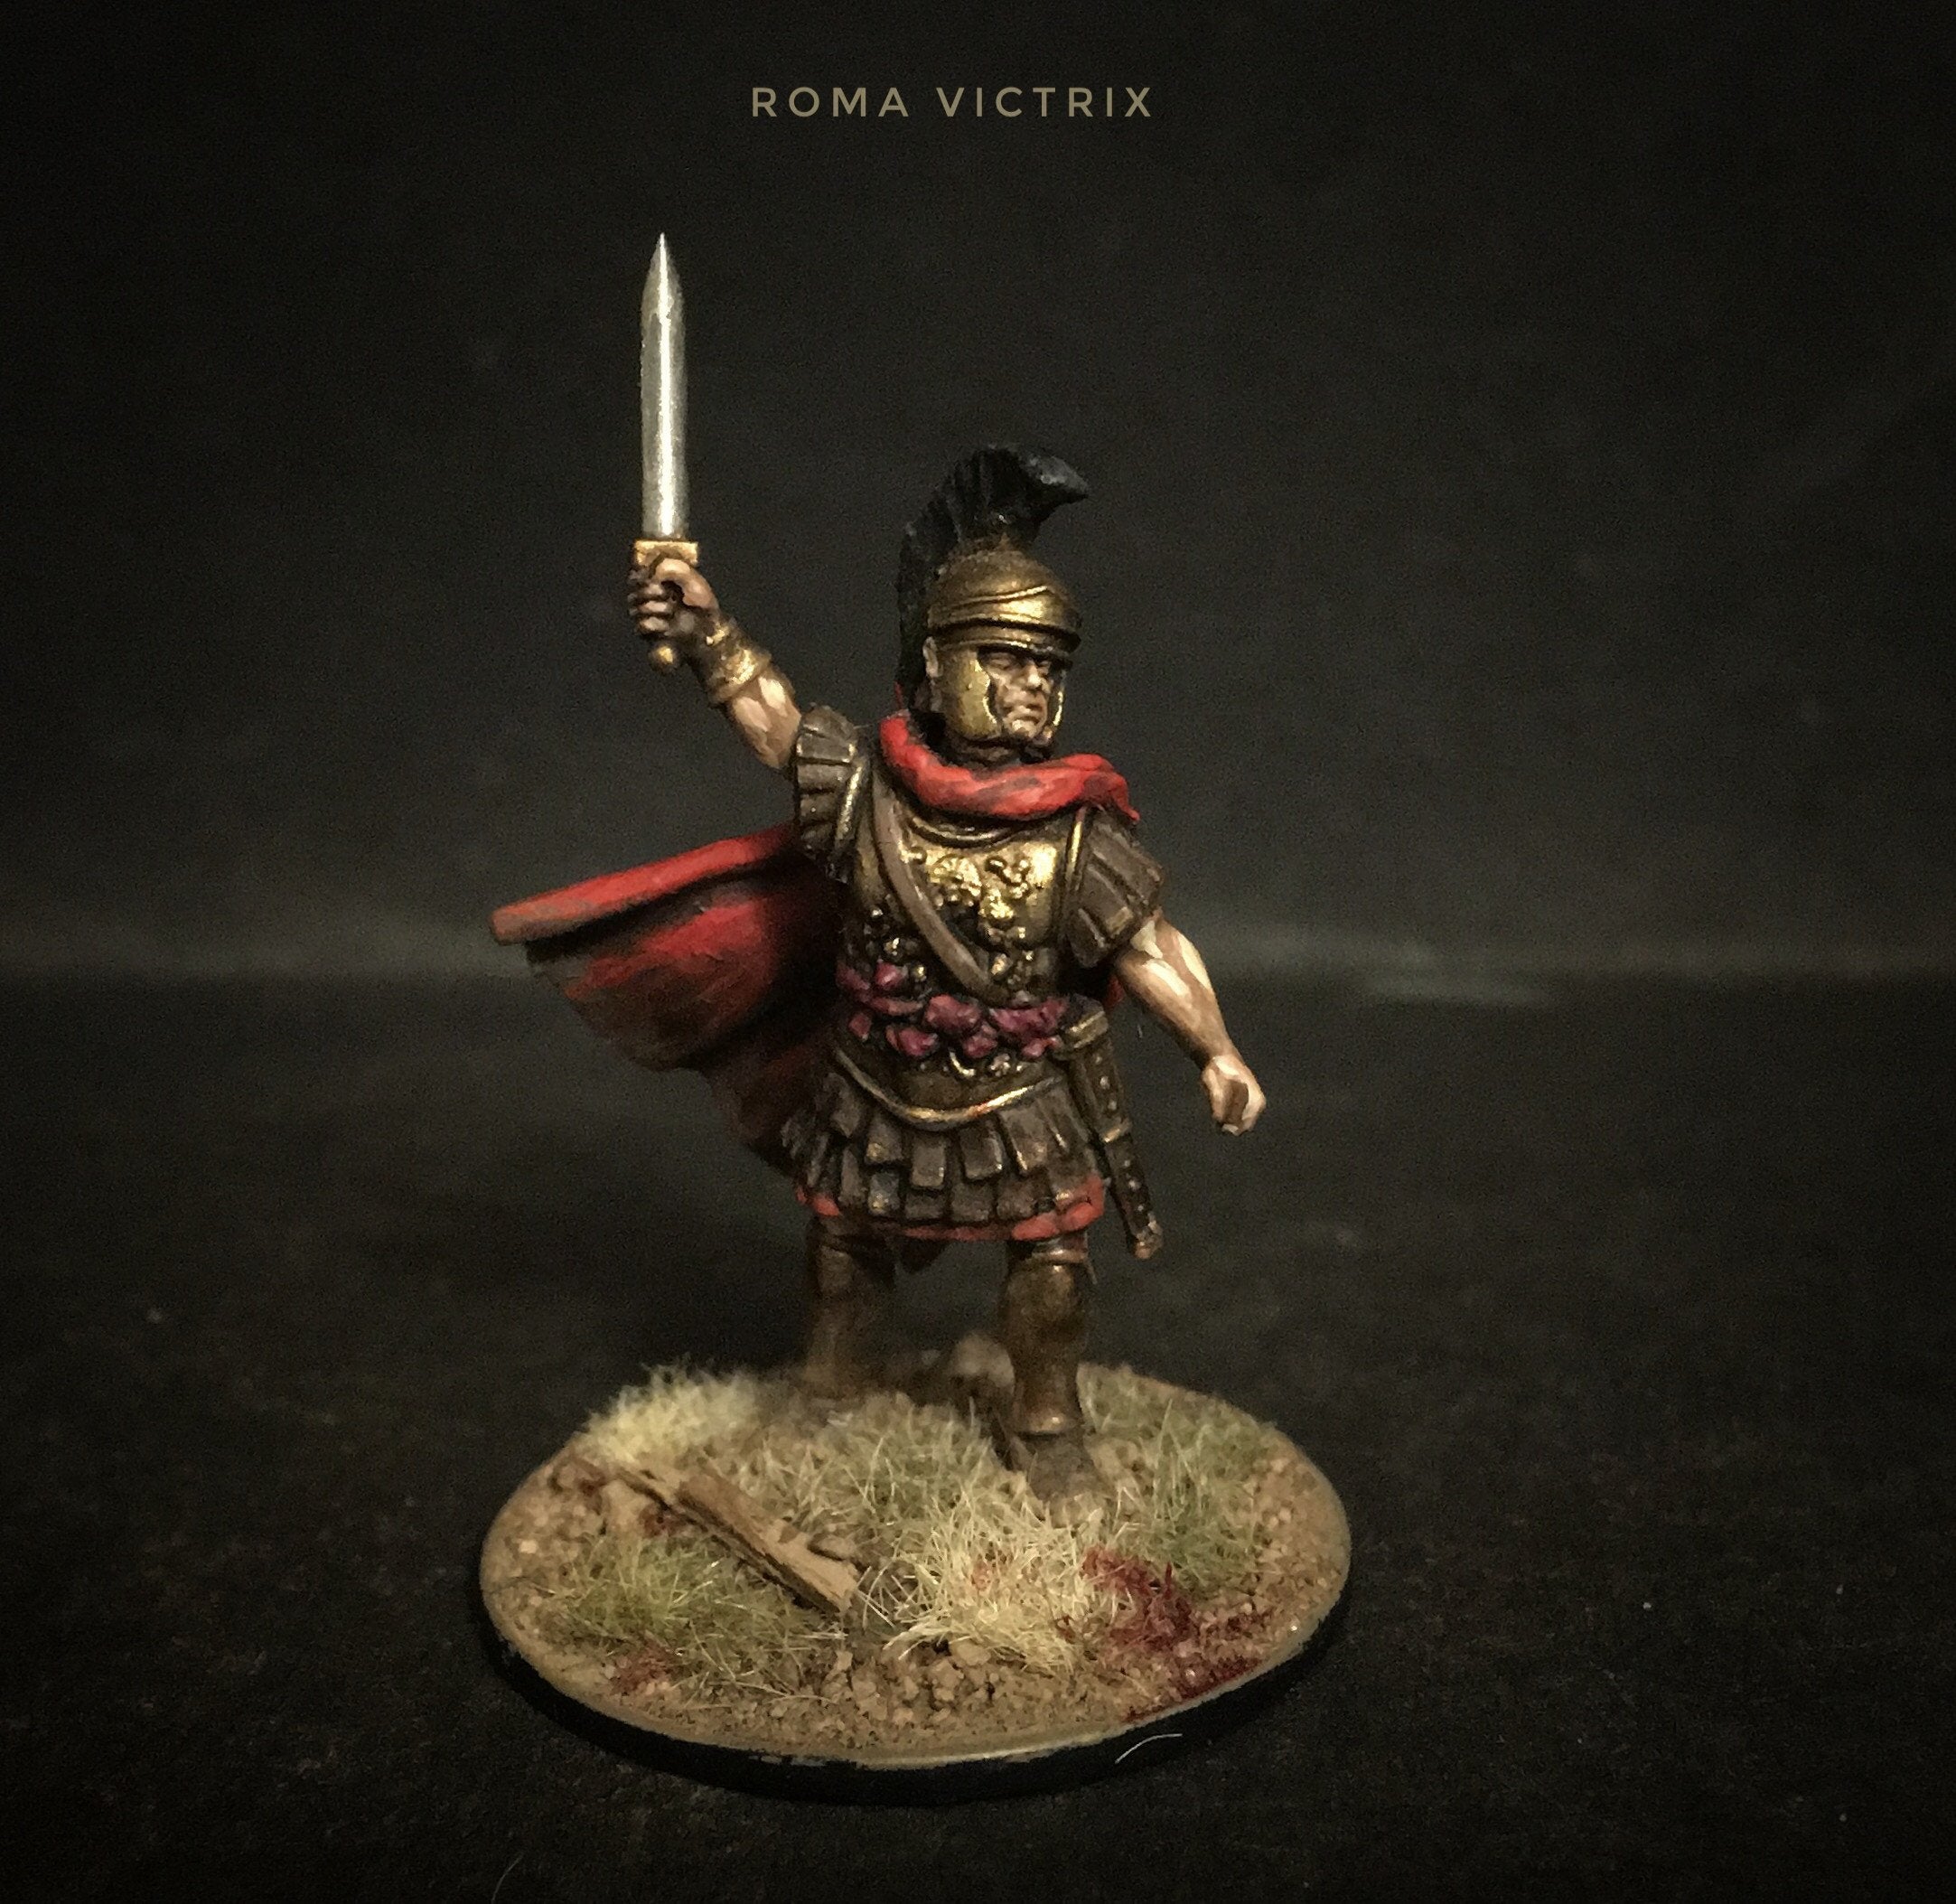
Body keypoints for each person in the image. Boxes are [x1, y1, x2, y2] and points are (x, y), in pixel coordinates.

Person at [614, 447, 1266, 1511]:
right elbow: (773, 722)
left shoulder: (1077, 834)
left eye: (1046, 667)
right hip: (873, 1077)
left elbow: (1150, 947)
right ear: (937, 661)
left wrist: (1216, 1049)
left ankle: (1046, 1424)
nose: (1032, 685)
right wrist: (706, 633)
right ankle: (831, 1385)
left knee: (1050, 1263)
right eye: (1004, 659)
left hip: (1018, 1094)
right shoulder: (864, 790)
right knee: (842, 1240)